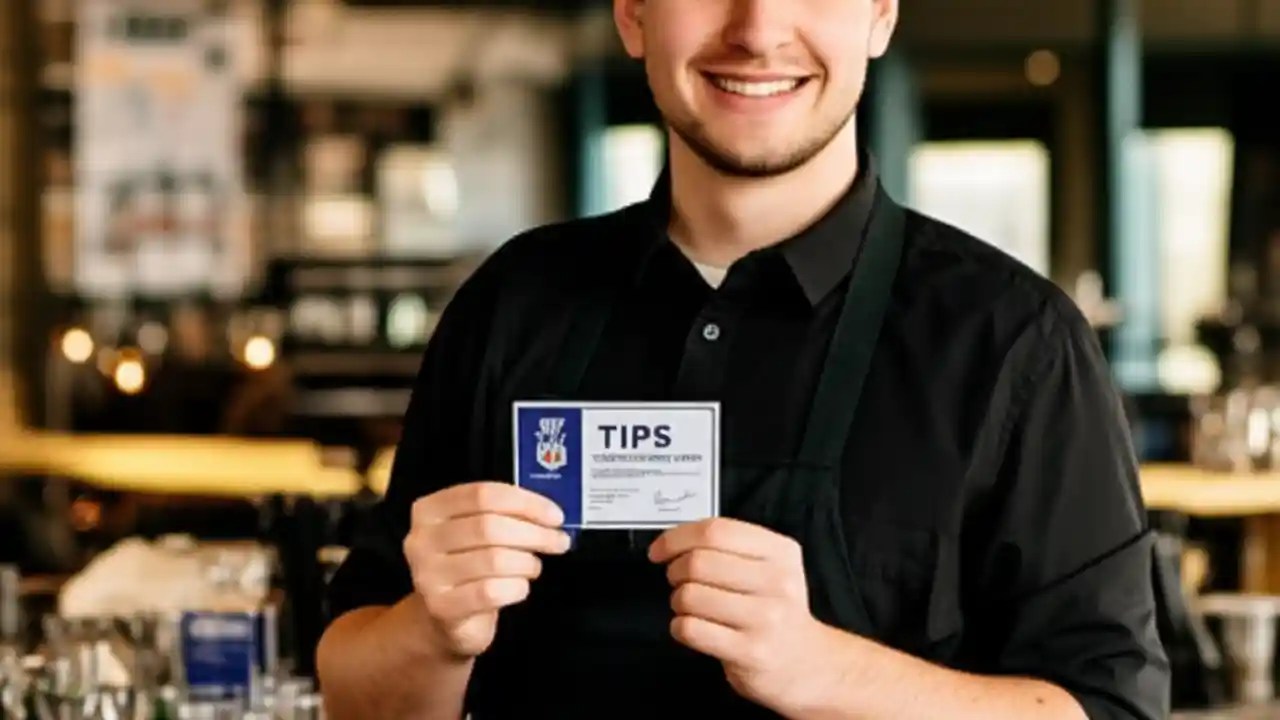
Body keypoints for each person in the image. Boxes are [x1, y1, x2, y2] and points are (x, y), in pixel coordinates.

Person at [315, 1, 1170, 718]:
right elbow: (353, 691)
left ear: (879, 13)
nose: (758, 29)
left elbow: (1105, 709)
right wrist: (433, 632)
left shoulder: (1015, 343)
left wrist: (824, 670)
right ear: (632, 13)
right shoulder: (512, 303)